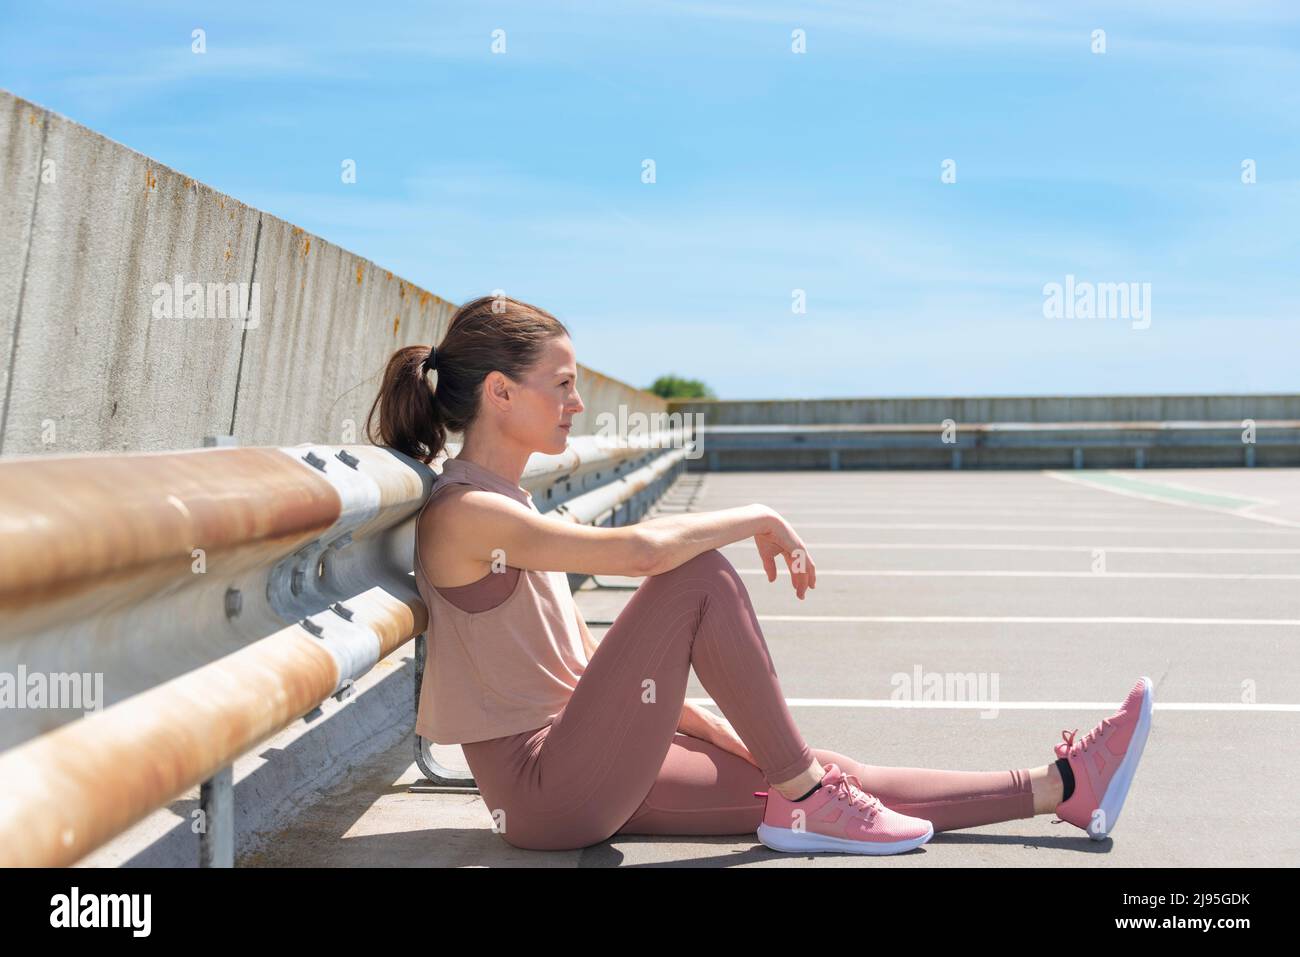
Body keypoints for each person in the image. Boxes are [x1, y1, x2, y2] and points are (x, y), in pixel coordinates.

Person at [365, 294, 1154, 855]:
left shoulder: (514, 500)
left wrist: (737, 736)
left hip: (582, 756)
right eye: (562, 383)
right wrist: (756, 516)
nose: (576, 402)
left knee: (832, 774)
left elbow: (585, 676)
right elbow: (644, 557)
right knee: (697, 575)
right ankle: (808, 799)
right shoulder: (467, 512)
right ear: (501, 393)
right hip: (542, 789)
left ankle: (1061, 783)